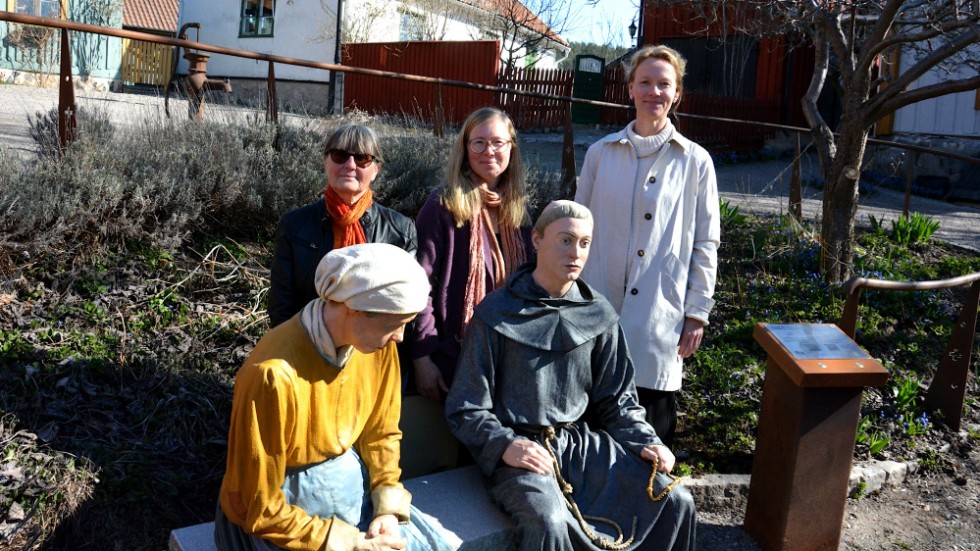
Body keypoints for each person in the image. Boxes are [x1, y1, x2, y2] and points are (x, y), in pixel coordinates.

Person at [445, 200, 697, 551]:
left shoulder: (598, 314)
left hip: (583, 449)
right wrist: (504, 445)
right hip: (522, 451)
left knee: (675, 500)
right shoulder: (496, 313)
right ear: (536, 239)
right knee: (550, 521)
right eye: (565, 240)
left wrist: (647, 441)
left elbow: (618, 401)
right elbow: (466, 407)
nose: (575, 253)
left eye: (584, 243)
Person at [215, 243, 453, 551]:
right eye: (396, 324)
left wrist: (387, 505)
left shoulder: (377, 347)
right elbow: (256, 504)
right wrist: (349, 542)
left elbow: (381, 433)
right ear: (354, 310)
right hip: (288, 519)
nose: (400, 337)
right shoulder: (273, 375)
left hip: (352, 492)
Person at [574, 45, 721, 446]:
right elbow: (575, 231)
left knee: (647, 446)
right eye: (645, 83)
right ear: (630, 89)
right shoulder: (600, 154)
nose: (653, 92)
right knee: (590, 439)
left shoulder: (696, 161)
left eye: (663, 84)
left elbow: (707, 242)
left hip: (661, 318)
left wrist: (697, 312)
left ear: (677, 94)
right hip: (596, 312)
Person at [410, 107, 532, 401]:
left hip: (508, 360)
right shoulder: (443, 205)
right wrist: (422, 359)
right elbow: (417, 286)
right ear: (465, 148)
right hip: (454, 360)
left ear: (511, 148)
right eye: (478, 142)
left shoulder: (518, 213)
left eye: (497, 142)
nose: (488, 151)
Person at [268, 124, 417, 328]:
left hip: (376, 347)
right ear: (325, 161)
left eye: (362, 158)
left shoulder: (400, 231)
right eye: (340, 155)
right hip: (307, 342)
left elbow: (406, 304)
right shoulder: (295, 226)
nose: (350, 165)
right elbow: (281, 307)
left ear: (376, 169)